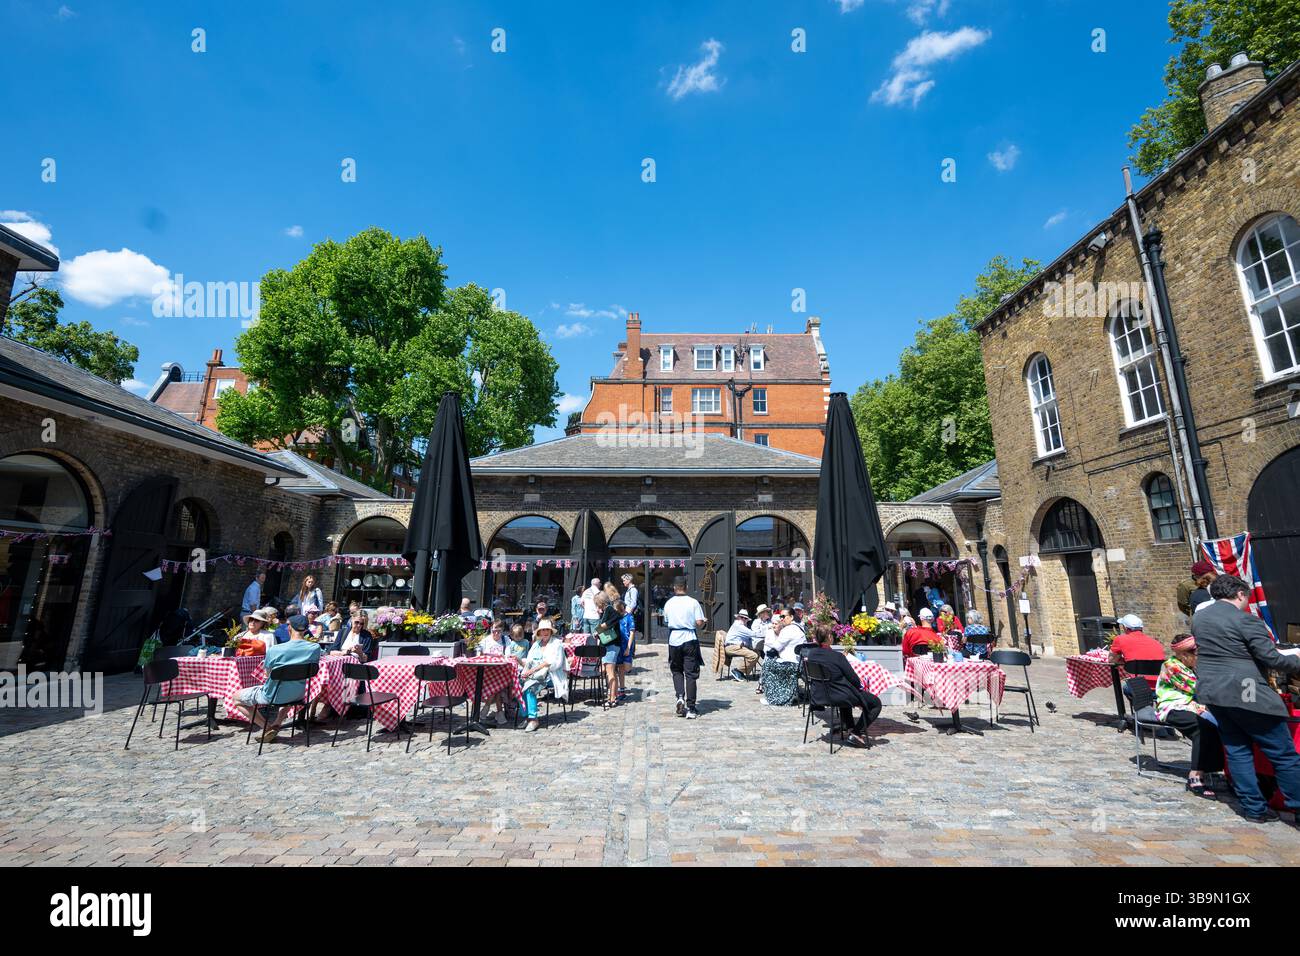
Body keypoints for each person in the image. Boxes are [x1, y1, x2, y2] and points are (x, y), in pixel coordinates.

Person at [1193, 574, 1300, 823]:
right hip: (1247, 691)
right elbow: (1272, 659)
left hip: (1214, 691)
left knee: (1237, 750)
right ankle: (1297, 805)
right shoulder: (1247, 621)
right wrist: (1296, 660)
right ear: (1240, 595)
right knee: (1282, 753)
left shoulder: (1200, 618)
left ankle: (1254, 808)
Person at [230, 613, 322, 744]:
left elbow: (267, 674)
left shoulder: (275, 649)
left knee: (236, 697)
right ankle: (277, 723)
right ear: (306, 629)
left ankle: (267, 728)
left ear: (289, 628)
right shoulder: (315, 648)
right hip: (298, 694)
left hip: (273, 695)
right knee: (288, 690)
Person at [1155, 634, 1225, 796]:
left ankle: (1216, 769)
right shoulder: (1172, 666)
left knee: (1221, 725)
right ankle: (1195, 775)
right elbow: (1198, 689)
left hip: (1192, 706)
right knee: (1201, 729)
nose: (1198, 657)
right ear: (1183, 655)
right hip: (1172, 708)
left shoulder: (1190, 665)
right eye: (1196, 654)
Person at [804, 623, 882, 747]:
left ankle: (850, 727)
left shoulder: (811, 654)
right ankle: (856, 733)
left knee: (843, 690)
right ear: (829, 637)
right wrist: (861, 689)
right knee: (875, 703)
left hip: (818, 695)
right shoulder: (837, 657)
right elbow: (854, 679)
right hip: (836, 695)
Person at [662, 577, 706, 719]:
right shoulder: (693, 602)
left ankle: (680, 696)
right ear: (685, 587)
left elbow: (666, 621)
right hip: (689, 638)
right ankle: (691, 707)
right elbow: (699, 622)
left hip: (674, 639)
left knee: (676, 670)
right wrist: (703, 621)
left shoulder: (668, 603)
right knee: (691, 673)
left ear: (675, 588)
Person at [518, 619, 568, 733]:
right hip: (535, 674)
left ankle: (533, 718)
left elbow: (552, 663)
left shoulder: (556, 644)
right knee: (518, 684)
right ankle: (526, 715)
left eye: (547, 630)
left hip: (551, 675)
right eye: (542, 630)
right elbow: (529, 661)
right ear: (539, 632)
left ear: (551, 631)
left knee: (530, 687)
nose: (545, 632)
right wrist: (524, 669)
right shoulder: (536, 644)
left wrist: (532, 671)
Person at [1109, 613, 1164, 689]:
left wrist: (1127, 661)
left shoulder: (1120, 639)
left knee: (1126, 688)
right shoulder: (1156, 642)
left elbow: (1112, 660)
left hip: (1139, 686)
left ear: (1125, 628)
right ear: (1141, 628)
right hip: (1160, 685)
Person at [761, 608, 803, 705]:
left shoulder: (788, 629)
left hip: (792, 665)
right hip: (799, 664)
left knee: (767, 664)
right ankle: (785, 693)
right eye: (780, 616)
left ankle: (773, 698)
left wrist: (768, 642)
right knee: (772, 661)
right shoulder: (799, 627)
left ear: (791, 617)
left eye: (783, 616)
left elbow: (776, 646)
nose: (781, 619)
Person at [594, 591, 622, 709]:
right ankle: (613, 697)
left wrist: (600, 628)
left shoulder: (609, 609)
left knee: (609, 671)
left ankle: (611, 699)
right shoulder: (606, 611)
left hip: (611, 644)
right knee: (611, 672)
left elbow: (617, 617)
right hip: (610, 644)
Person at [717, 608, 760, 681]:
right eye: (742, 617)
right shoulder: (738, 625)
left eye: (745, 618)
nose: (743, 619)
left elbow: (748, 641)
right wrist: (767, 633)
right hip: (731, 647)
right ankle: (738, 671)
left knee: (757, 653)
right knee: (754, 655)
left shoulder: (742, 627)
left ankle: (742, 672)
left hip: (736, 646)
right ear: (738, 617)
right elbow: (753, 634)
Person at [616, 600, 635, 701]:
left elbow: (632, 633)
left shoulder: (629, 617)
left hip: (626, 644)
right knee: (620, 668)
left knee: (627, 668)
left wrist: (628, 647)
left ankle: (621, 688)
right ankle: (621, 690)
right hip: (618, 645)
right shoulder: (617, 617)